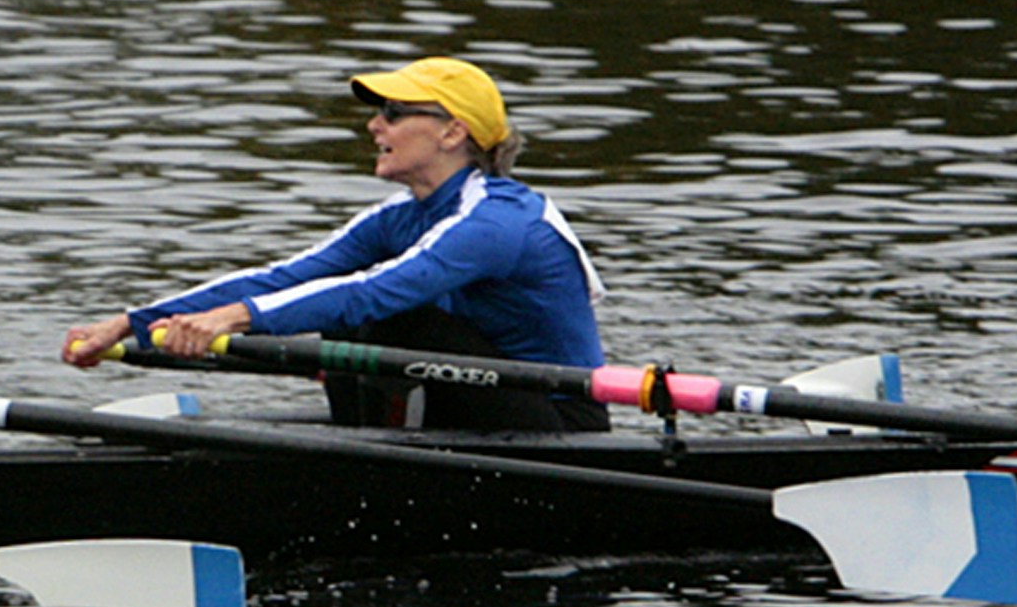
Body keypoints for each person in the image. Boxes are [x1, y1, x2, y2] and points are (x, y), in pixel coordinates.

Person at [59, 56, 610, 434]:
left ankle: (374, 455)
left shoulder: (497, 222)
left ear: (452, 133)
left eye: (393, 113)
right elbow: (286, 277)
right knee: (343, 314)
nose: (374, 125)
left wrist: (231, 320)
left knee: (390, 317)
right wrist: (134, 322)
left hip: (559, 425)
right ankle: (369, 444)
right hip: (467, 406)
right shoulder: (399, 217)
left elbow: (376, 291)